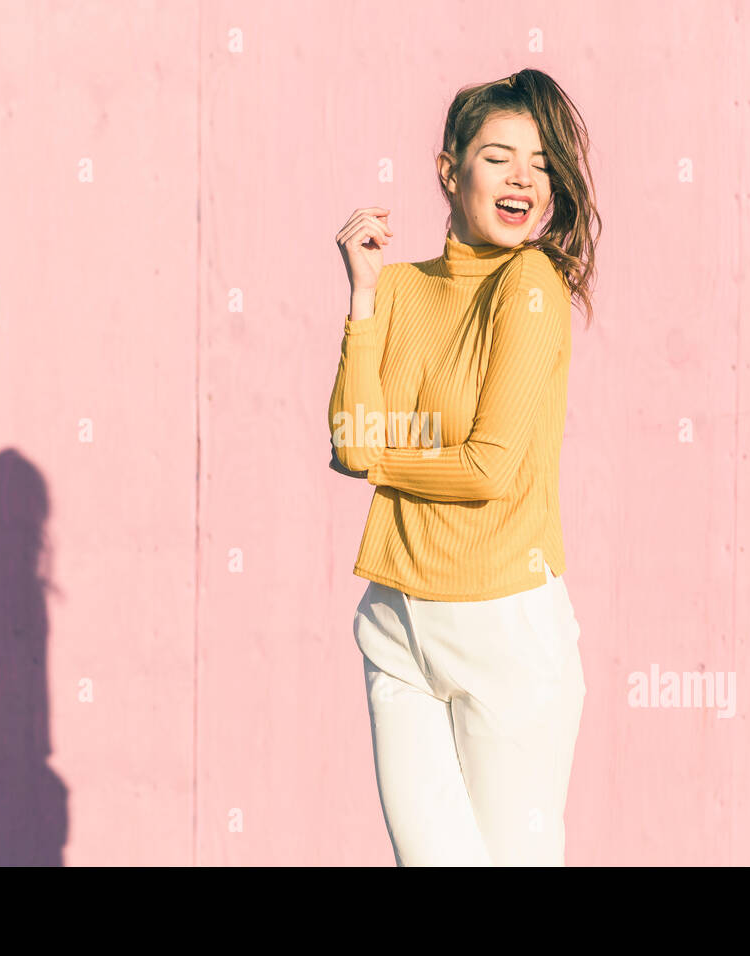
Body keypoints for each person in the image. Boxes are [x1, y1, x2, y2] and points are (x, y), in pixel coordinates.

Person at [327, 69, 600, 865]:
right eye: (498, 156)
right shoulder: (402, 289)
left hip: (505, 625)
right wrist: (363, 296)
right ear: (450, 172)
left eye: (540, 162)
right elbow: (351, 436)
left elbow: (487, 468)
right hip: (397, 620)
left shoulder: (532, 284)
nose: (524, 177)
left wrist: (381, 452)